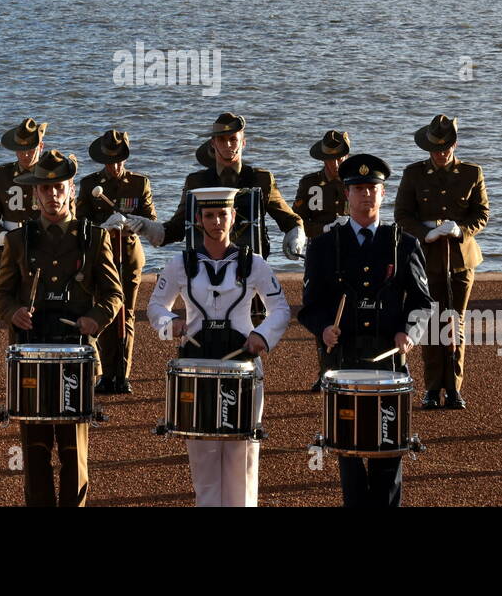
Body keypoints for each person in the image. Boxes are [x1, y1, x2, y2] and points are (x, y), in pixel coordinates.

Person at [299, 155, 431, 507]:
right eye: (358, 189)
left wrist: (410, 332)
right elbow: (310, 306)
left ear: (383, 194)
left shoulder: (403, 243)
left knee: (389, 453)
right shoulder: (325, 245)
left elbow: (422, 302)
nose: (366, 196)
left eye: (372, 188)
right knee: (351, 455)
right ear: (346, 195)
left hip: (388, 364)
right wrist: (324, 327)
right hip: (345, 362)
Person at [0, 151, 121, 506]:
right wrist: (13, 311)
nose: (52, 195)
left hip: (77, 356)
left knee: (72, 451)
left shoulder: (93, 238)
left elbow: (114, 293)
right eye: (45, 189)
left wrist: (96, 318)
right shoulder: (19, 240)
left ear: (71, 190)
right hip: (30, 355)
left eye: (59, 188)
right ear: (36, 194)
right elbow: (0, 293)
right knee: (33, 453)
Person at [148, 187, 290, 507]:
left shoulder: (253, 262)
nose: (216, 221)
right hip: (196, 365)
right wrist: (171, 324)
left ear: (233, 217)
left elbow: (280, 307)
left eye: (222, 214)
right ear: (198, 220)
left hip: (243, 366)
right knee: (204, 455)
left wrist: (262, 336)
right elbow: (155, 305)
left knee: (242, 453)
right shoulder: (180, 263)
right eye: (209, 215)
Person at [394, 115, 489, 409]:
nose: (441, 154)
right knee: (432, 322)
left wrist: (461, 230)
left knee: (454, 323)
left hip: (461, 261)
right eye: (436, 149)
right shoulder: (413, 174)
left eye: (446, 147)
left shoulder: (472, 173)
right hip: (426, 258)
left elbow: (481, 214)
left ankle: (455, 388)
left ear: (454, 144)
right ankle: (433, 389)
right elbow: (402, 216)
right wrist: (426, 233)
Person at [127, 112, 305, 262]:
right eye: (221, 139)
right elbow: (178, 228)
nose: (228, 145)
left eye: (233, 139)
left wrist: (295, 236)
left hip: (251, 267)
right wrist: (146, 227)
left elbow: (289, 219)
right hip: (205, 267)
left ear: (243, 143)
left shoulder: (261, 179)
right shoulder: (196, 182)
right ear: (213, 143)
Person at [75, 130, 155, 394]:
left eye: (120, 160)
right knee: (106, 312)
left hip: (130, 255)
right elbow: (80, 224)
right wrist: (102, 226)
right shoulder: (89, 185)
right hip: (102, 257)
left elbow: (152, 221)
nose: (116, 166)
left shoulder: (139, 183)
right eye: (111, 161)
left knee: (127, 314)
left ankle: (122, 375)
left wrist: (138, 225)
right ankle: (106, 374)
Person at [292, 129, 352, 391]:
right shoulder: (309, 183)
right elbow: (297, 219)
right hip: (320, 254)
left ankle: (347, 368)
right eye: (330, 158)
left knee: (349, 312)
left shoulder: (356, 181)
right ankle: (325, 370)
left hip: (351, 255)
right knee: (320, 311)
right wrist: (323, 230)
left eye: (340, 157)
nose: (335, 164)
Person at [0, 118, 46, 265]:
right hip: (9, 251)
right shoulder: (1, 176)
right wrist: (3, 237)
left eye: (31, 149)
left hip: (45, 248)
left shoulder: (51, 175)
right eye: (21, 150)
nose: (25, 155)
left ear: (41, 147)